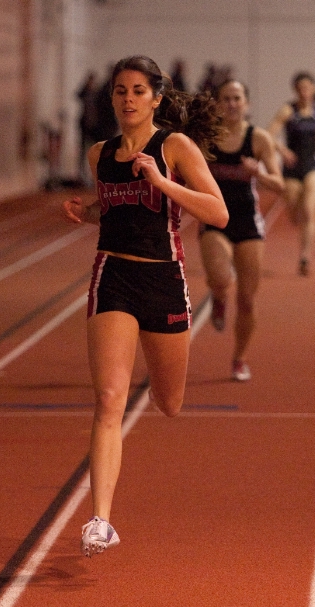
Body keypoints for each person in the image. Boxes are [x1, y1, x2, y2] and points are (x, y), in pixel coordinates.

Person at [63, 55, 228, 557]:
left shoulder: (174, 146)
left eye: (138, 91)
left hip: (163, 279)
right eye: (120, 91)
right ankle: (101, 520)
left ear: (156, 98)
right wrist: (86, 211)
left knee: (169, 403)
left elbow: (216, 211)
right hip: (113, 274)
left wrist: (161, 182)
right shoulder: (100, 154)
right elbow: (116, 211)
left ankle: (162, 394)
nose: (128, 99)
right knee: (110, 398)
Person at [197, 80, 284, 382]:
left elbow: (280, 185)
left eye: (237, 98)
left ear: (246, 103)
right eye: (226, 99)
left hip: (247, 221)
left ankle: (239, 358)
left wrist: (257, 172)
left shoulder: (258, 139)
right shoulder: (206, 138)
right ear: (217, 104)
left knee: (247, 299)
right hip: (214, 219)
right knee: (221, 279)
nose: (232, 104)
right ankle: (219, 297)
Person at [268, 71, 315, 276]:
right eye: (300, 89)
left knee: (309, 209)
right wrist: (282, 150)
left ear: (313, 89)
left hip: (314, 166)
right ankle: (300, 225)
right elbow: (268, 135)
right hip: (291, 168)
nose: (304, 92)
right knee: (295, 215)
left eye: (308, 88)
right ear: (295, 90)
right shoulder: (287, 111)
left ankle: (305, 257)